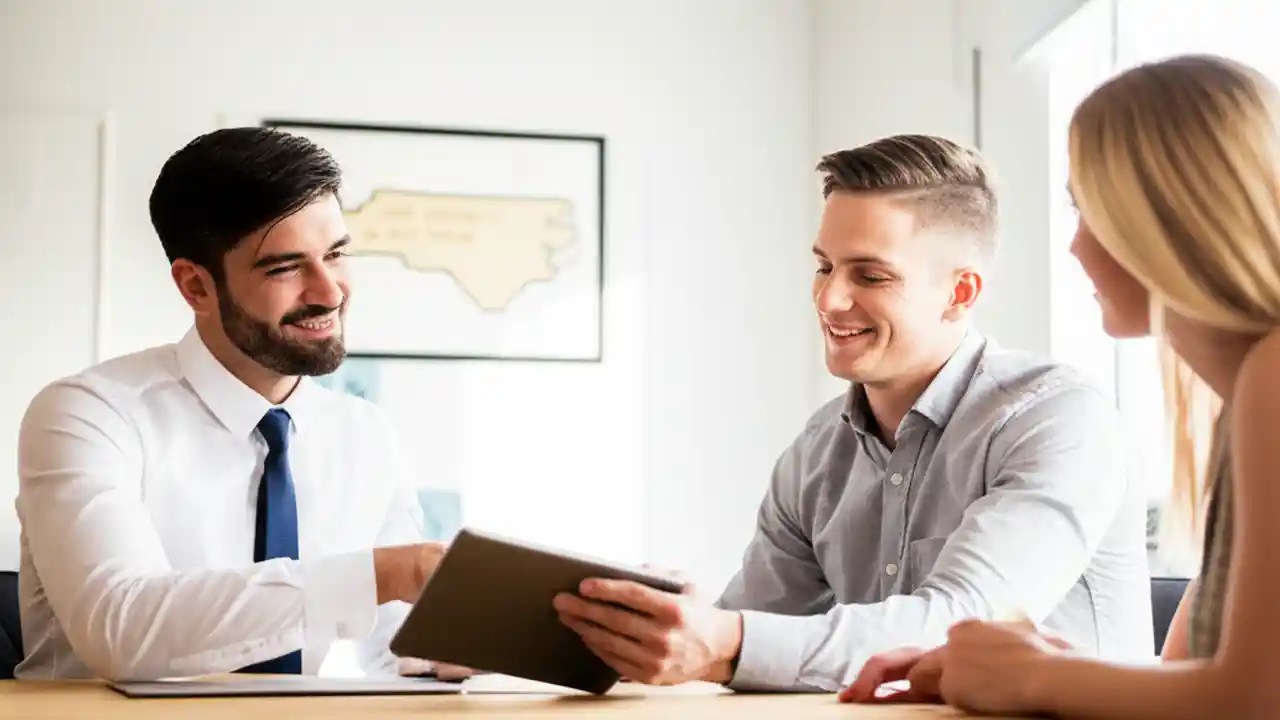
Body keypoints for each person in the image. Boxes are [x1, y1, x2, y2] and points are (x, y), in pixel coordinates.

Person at [552, 134, 1153, 692]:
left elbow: (964, 627)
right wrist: (644, 624)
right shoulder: (818, 450)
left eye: (871, 275)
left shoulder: (1057, 420)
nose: (830, 298)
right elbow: (748, 635)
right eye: (824, 266)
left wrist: (725, 639)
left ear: (959, 292)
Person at [845, 54, 1280, 718]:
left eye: (1088, 209)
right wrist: (1013, 665)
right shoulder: (1243, 407)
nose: (1075, 246)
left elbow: (1249, 700)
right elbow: (1193, 682)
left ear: (1171, 215)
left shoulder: (1271, 379)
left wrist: (1033, 676)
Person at [15, 127, 448, 680]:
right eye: (285, 267)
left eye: (336, 254)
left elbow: (399, 649)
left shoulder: (365, 433)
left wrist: (482, 642)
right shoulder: (87, 415)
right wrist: (383, 574)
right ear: (196, 287)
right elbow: (122, 628)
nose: (330, 292)